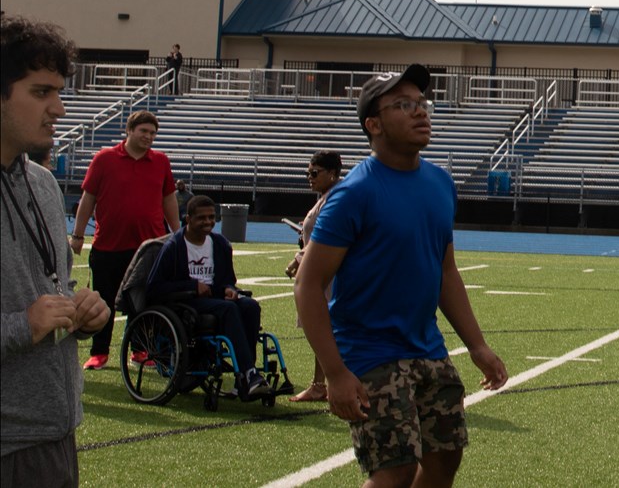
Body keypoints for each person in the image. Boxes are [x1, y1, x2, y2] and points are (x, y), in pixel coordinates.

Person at [295, 65, 507, 487]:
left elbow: (445, 270)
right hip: (371, 353)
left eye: (422, 103)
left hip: (427, 348)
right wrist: (336, 373)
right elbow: (308, 284)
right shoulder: (354, 194)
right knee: (394, 471)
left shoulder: (440, 184)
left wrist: (477, 345)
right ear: (373, 124)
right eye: (404, 105)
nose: (420, 112)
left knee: (445, 459)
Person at [1, 14, 111, 487]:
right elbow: (29, 319)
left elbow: (52, 294)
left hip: (56, 435)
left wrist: (82, 315)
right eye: (41, 92)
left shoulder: (44, 183)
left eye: (59, 92)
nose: (60, 108)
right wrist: (23, 326)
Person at [69, 110, 178, 370]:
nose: (148, 137)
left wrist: (177, 233)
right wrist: (77, 234)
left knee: (142, 300)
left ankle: (140, 350)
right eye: (144, 131)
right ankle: (99, 352)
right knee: (104, 300)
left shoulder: (161, 161)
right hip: (109, 245)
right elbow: (88, 198)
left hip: (148, 247)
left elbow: (168, 199)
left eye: (153, 133)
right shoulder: (104, 158)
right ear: (129, 131)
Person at [146, 195, 270, 398]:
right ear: (189, 219)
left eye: (212, 217)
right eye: (201, 218)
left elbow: (228, 279)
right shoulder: (174, 246)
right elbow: (154, 287)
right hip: (186, 302)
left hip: (215, 298)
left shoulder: (220, 244)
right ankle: (248, 373)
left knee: (250, 306)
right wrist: (193, 286)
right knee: (228, 309)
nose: (208, 222)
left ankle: (246, 374)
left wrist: (231, 289)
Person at [285, 151, 340, 402]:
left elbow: (327, 234)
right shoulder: (326, 197)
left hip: (329, 272)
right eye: (308, 172)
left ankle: (329, 382)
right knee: (323, 328)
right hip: (322, 271)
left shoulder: (336, 198)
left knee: (325, 328)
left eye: (314, 173)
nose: (310, 177)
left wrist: (298, 260)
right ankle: (321, 383)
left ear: (332, 173)